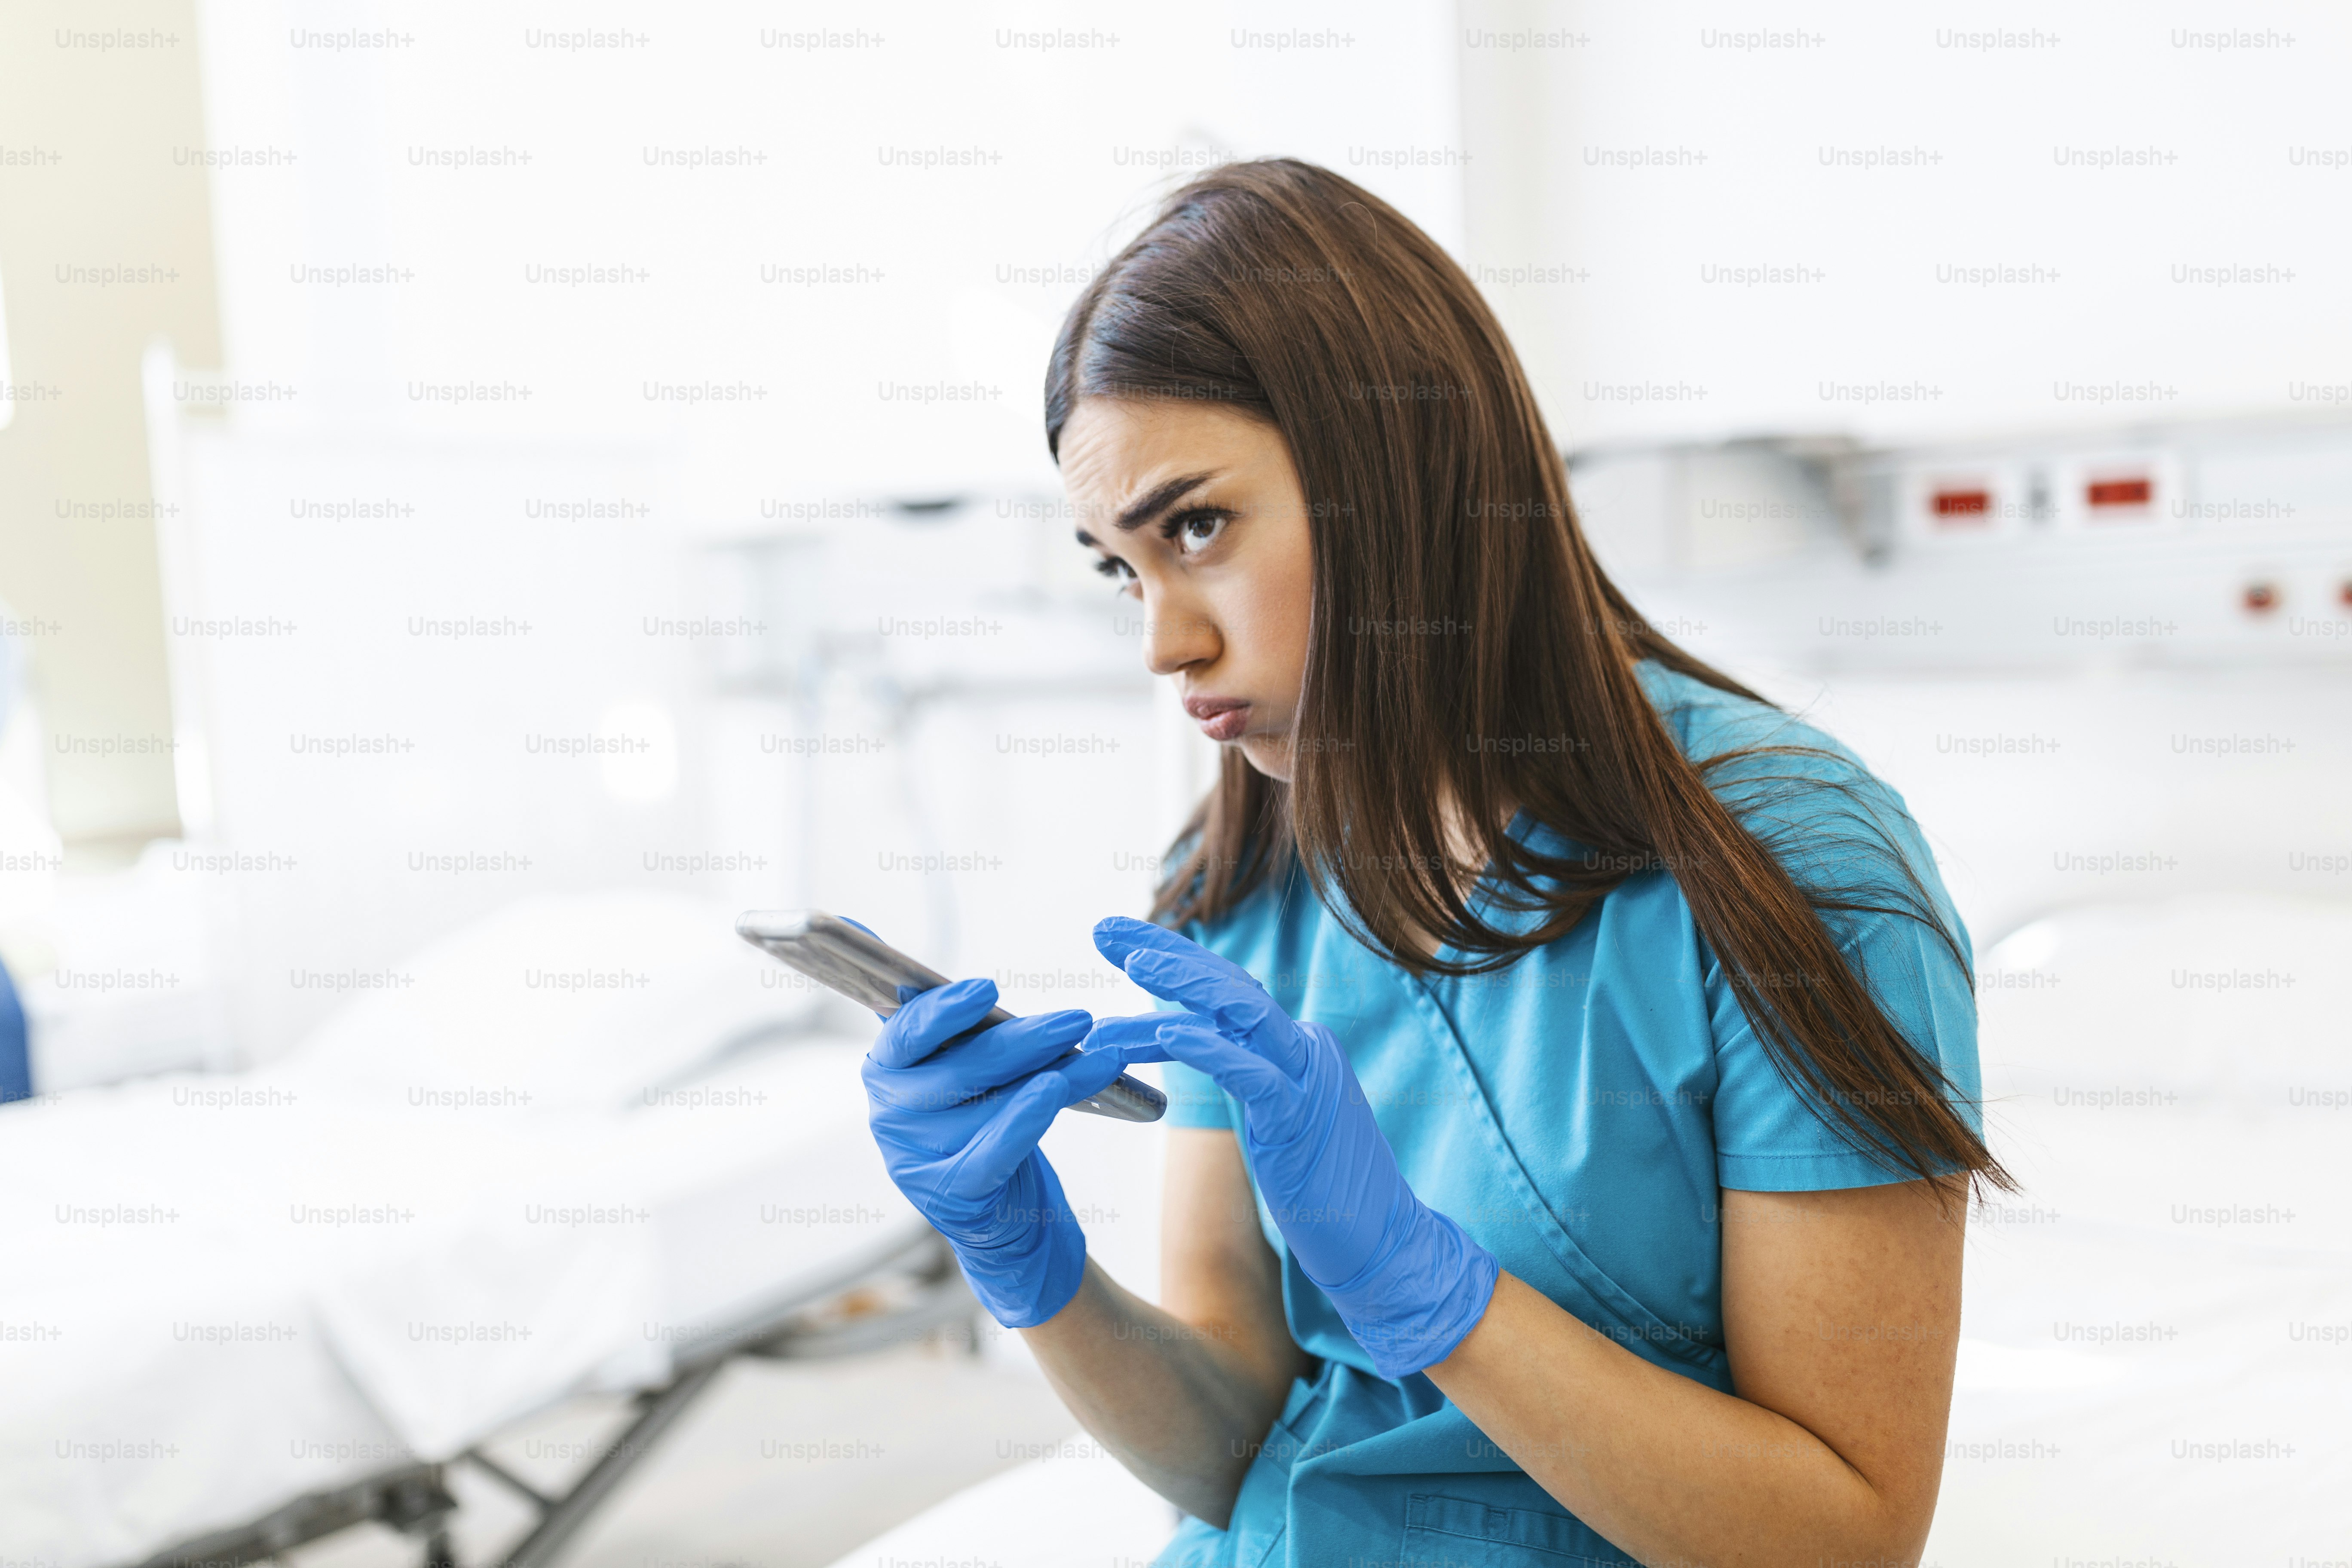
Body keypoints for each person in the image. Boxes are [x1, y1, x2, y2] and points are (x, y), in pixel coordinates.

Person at [856, 159, 2009, 1568]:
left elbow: (1842, 1540)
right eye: (1121, 569)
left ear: (1400, 472)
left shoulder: (1791, 867)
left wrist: (1435, 1298)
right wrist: (1031, 1271)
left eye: (1197, 529)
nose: (1163, 642)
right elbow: (1229, 1449)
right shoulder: (1244, 882)